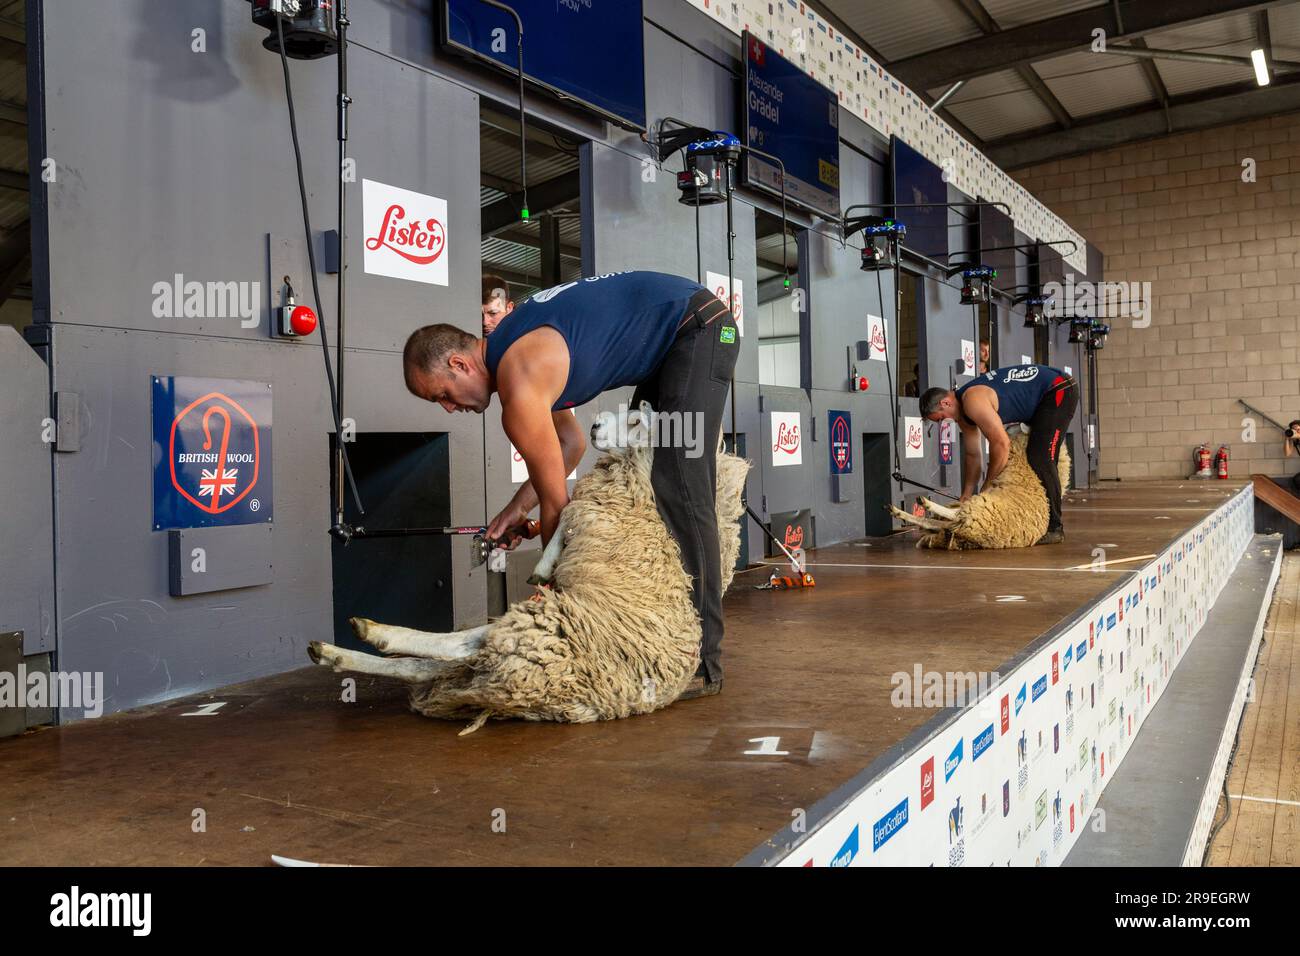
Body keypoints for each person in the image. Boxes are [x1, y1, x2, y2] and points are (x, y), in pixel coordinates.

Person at [401, 271, 739, 698]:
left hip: (699, 329)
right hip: (672, 343)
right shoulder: (514, 348)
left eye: (442, 395)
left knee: (680, 489)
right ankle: (658, 634)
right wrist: (516, 509)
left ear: (459, 364)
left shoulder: (519, 384)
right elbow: (570, 444)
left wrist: (561, 599)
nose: (449, 409)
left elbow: (557, 509)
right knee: (644, 478)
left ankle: (704, 663)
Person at [920, 364, 1078, 544]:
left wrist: (987, 485)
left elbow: (1001, 444)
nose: (943, 423)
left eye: (940, 418)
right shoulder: (964, 415)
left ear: (945, 403)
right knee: (1032, 456)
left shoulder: (972, 400)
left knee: (1040, 457)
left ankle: (1055, 528)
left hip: (1058, 389)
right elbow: (973, 456)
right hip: (1044, 397)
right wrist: (967, 494)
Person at [1283, 420, 1300, 493]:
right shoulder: (1294, 441)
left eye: (1298, 429)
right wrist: (1287, 439)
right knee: (1297, 480)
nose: (1296, 431)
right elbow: (1287, 453)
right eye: (1294, 430)